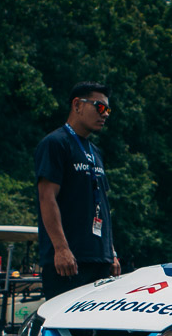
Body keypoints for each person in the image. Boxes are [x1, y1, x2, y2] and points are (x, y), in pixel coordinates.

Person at [35, 81, 122, 299]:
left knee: (97, 330)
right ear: (77, 105)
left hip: (99, 259)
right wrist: (61, 249)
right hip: (69, 260)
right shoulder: (55, 143)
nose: (105, 114)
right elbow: (47, 197)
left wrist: (111, 253)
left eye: (108, 109)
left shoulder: (96, 151)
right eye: (99, 107)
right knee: (67, 327)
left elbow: (102, 203)